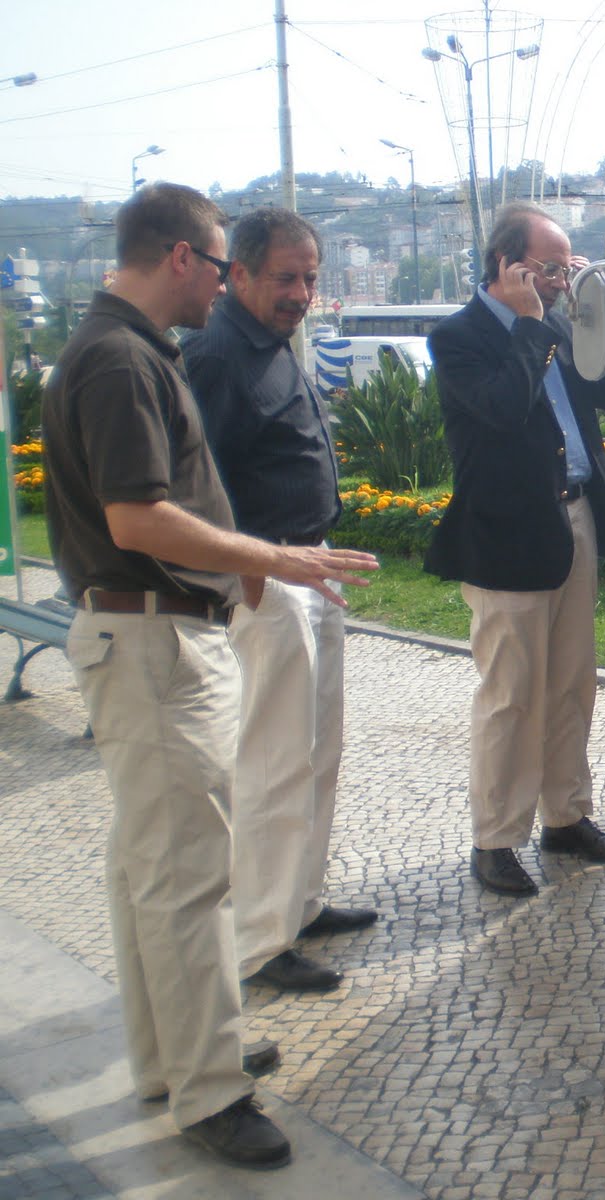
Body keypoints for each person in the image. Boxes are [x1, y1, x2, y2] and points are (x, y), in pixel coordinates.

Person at [41, 182, 378, 1169]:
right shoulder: (117, 360)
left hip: (148, 633)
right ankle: (211, 1089)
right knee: (189, 879)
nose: (226, 279)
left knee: (153, 871)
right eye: (221, 258)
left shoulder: (124, 351)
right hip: (149, 640)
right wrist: (268, 559)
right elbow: (137, 519)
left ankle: (180, 1057)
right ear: (181, 256)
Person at [181, 208, 377, 996]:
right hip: (266, 580)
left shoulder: (271, 342)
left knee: (317, 752)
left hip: (311, 570)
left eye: (311, 278)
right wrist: (252, 573)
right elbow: (203, 480)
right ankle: (263, 942)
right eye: (287, 278)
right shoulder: (219, 354)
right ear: (240, 275)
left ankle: (300, 901)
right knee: (273, 762)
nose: (301, 293)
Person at [425, 202, 605, 898]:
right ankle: (495, 838)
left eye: (564, 267)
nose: (556, 279)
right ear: (506, 264)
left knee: (573, 683)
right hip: (507, 534)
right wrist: (527, 324)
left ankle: (566, 815)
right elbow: (503, 407)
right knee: (511, 694)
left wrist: (589, 313)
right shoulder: (459, 337)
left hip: (572, 518)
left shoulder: (554, 324)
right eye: (549, 267)